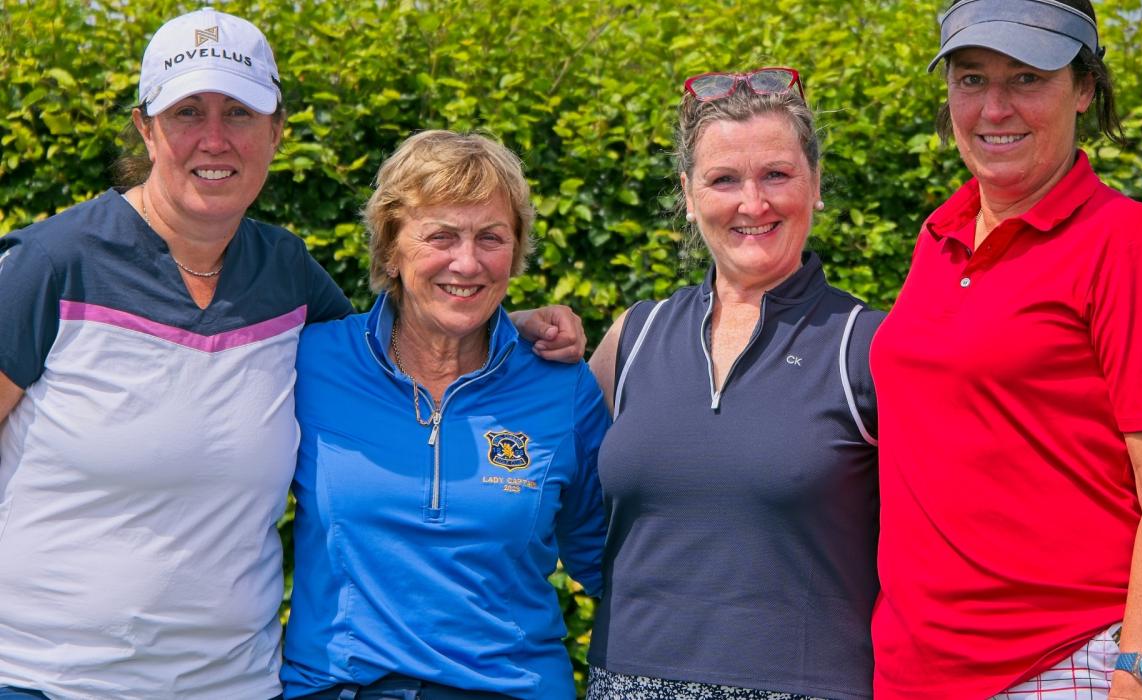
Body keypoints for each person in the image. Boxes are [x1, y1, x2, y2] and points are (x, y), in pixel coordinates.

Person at [0, 10, 576, 699]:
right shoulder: (50, 265)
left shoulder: (286, 276)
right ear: (147, 128)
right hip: (43, 680)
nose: (215, 138)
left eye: (240, 113)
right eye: (188, 111)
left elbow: (394, 351)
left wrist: (501, 323)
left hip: (233, 686)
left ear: (276, 133)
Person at [869, 1, 1142, 698]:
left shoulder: (1133, 248)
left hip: (1064, 667)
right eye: (970, 79)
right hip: (912, 674)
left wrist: (1141, 679)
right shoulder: (939, 236)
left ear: (1084, 88)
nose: (994, 107)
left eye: (1026, 79)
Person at [585, 68, 883, 699]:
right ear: (689, 196)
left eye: (777, 174)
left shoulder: (869, 345)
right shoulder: (632, 338)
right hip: (626, 682)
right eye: (724, 180)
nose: (754, 203)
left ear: (816, 185)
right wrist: (515, 326)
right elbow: (540, 481)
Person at [280, 130, 609, 700]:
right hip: (342, 689)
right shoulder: (310, 363)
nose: (468, 261)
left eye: (491, 237)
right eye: (441, 236)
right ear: (390, 248)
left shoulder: (562, 386)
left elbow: (615, 563)